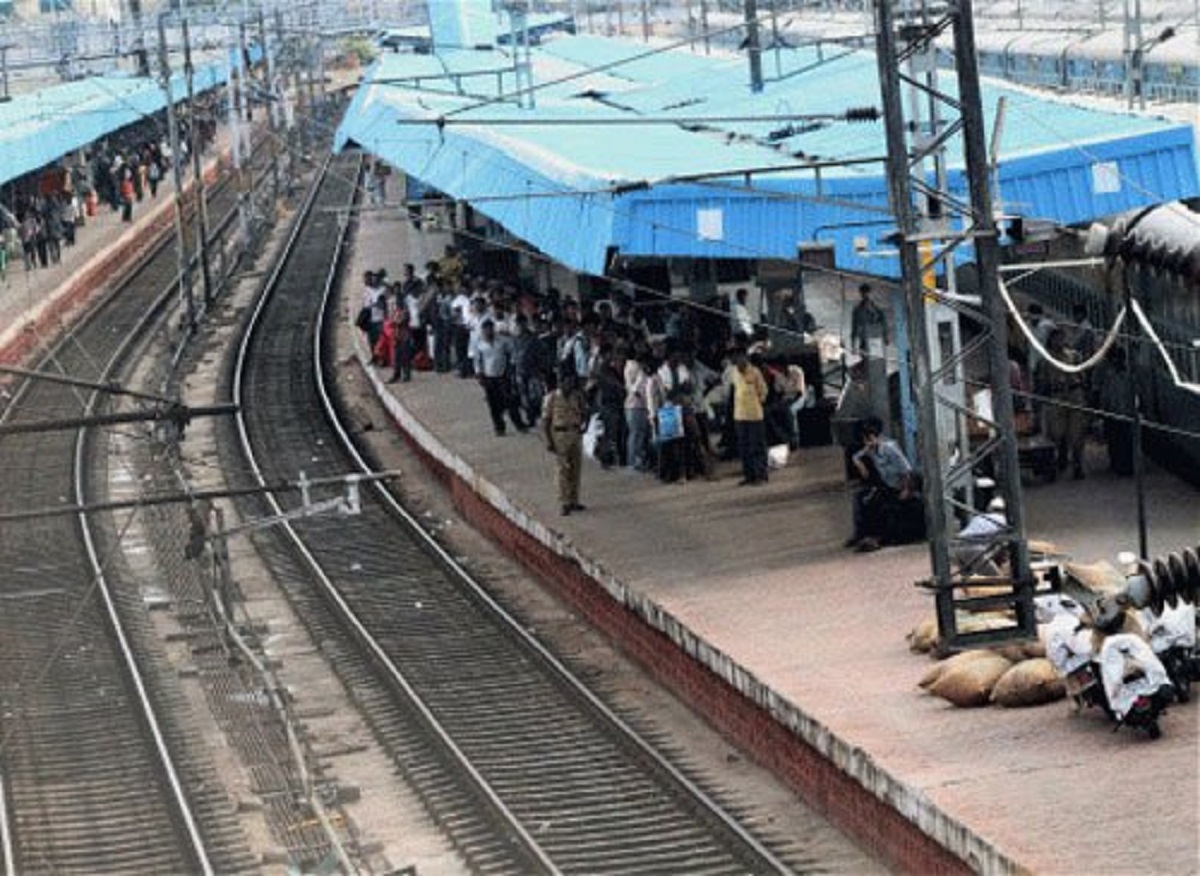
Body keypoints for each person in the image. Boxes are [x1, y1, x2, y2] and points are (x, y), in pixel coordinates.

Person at [846, 416, 921, 552]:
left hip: (902, 486)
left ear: (877, 437)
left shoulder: (890, 448)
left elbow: (907, 471)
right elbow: (858, 461)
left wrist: (906, 489)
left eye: (870, 439)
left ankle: (880, 538)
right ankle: (861, 535)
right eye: (865, 440)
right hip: (888, 486)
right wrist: (859, 462)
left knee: (886, 508)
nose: (868, 443)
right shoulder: (870, 450)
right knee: (861, 499)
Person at [1035, 327, 1087, 479]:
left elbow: (1083, 376)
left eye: (1062, 338)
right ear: (1050, 340)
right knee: (1057, 434)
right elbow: (1041, 382)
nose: (1060, 341)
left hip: (1074, 394)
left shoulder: (1074, 356)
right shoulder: (1045, 359)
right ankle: (1059, 459)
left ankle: (1077, 465)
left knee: (1077, 432)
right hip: (1056, 397)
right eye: (1056, 338)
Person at [542, 367, 588, 516]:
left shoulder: (577, 396)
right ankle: (564, 502)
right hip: (560, 434)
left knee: (576, 468)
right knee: (562, 470)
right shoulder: (552, 397)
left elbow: (585, 411)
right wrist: (549, 441)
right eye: (567, 381)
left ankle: (574, 500)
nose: (570, 384)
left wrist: (584, 425)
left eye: (571, 381)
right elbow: (546, 421)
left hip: (575, 432)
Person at [474, 319, 526, 435]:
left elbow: (512, 354)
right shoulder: (479, 344)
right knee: (493, 405)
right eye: (486, 329)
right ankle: (499, 427)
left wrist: (510, 368)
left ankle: (519, 425)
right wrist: (479, 374)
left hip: (503, 376)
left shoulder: (503, 341)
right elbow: (477, 361)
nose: (488, 331)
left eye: (490, 329)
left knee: (510, 402)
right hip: (489, 377)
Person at [730, 347, 769, 485]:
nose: (736, 361)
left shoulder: (755, 372)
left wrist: (758, 402)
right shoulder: (734, 372)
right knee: (744, 448)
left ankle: (761, 475)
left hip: (754, 415)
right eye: (734, 359)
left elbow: (763, 391)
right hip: (739, 415)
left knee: (756, 447)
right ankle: (749, 476)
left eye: (738, 357)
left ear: (745, 358)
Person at [953, 497, 1009, 576]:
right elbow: (1003, 544)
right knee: (996, 579)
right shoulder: (1003, 520)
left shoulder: (979, 517)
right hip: (976, 550)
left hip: (959, 549)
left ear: (989, 508)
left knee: (967, 580)